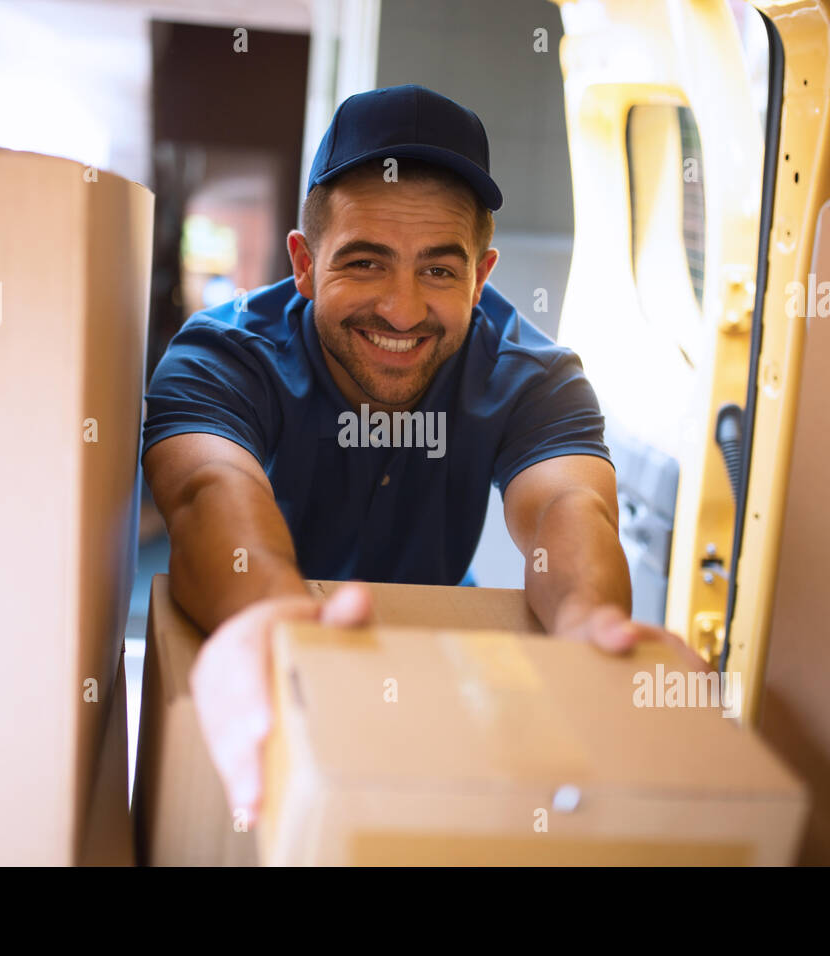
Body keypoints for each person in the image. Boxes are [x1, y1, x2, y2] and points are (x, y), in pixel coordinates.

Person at [142, 84, 702, 825]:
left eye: (439, 270)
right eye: (366, 263)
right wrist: (277, 615)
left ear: (482, 275)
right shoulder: (221, 355)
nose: (401, 311)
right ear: (305, 264)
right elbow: (208, 486)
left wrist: (588, 626)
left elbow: (570, 504)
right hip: (260, 622)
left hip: (435, 660)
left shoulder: (534, 374)